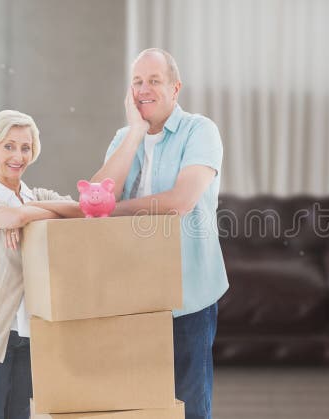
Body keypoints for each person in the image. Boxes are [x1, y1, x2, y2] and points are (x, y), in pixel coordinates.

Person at [90, 48, 228, 419]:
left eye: (154, 80)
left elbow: (180, 201)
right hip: (129, 292)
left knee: (189, 403)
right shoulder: (124, 137)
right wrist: (135, 132)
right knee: (133, 403)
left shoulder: (200, 131)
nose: (144, 89)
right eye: (137, 82)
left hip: (187, 293)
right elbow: (96, 198)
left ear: (175, 87)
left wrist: (111, 212)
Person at [0, 110, 78, 419]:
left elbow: (80, 210)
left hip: (30, 330)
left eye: (25, 147)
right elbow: (11, 217)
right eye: (9, 146)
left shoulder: (36, 196)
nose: (18, 155)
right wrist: (19, 216)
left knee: (20, 414)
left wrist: (27, 211)